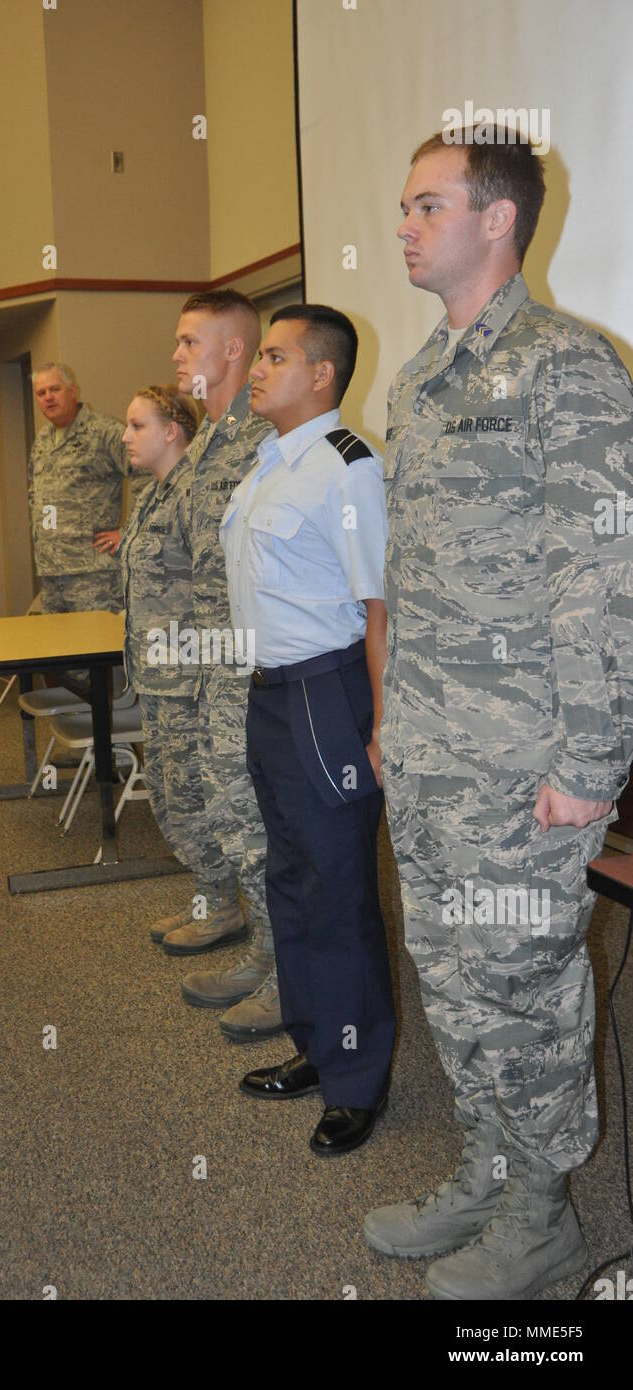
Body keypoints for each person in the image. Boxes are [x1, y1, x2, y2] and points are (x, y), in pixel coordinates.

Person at [363, 127, 633, 1299]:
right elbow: (410, 576)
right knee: (452, 974)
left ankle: (543, 1219)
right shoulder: (415, 382)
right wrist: (390, 720)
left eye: (427, 204)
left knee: (523, 985)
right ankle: (486, 1164)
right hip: (430, 753)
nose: (404, 224)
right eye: (404, 206)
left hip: (526, 763)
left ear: (496, 220)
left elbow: (603, 574)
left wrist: (588, 759)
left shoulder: (568, 369)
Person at [222, 305, 395, 1155]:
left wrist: (382, 727)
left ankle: (357, 1079)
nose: (257, 369)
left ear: (321, 375)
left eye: (275, 356)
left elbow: (380, 611)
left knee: (337, 889)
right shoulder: (266, 466)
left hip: (326, 696)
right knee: (291, 880)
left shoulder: (347, 470)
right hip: (270, 697)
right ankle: (315, 1049)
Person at [167, 290, 283, 1042]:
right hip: (212, 667)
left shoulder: (262, 439)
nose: (175, 356)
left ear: (232, 351)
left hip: (251, 673)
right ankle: (263, 956)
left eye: (188, 342)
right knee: (233, 822)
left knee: (259, 826)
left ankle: (282, 975)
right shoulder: (209, 440)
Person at [119, 386, 248, 953]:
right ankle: (209, 898)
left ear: (173, 430)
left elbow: (214, 591)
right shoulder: (152, 494)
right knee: (170, 799)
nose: (124, 437)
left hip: (190, 680)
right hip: (158, 676)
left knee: (194, 797)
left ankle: (224, 909)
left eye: (136, 425)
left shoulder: (193, 492)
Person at [28, 363, 138, 614]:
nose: (48, 397)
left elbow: (151, 472)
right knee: (56, 650)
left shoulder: (104, 432)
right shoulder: (43, 440)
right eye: (41, 393)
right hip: (52, 573)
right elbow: (36, 493)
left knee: (95, 650)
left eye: (54, 389)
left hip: (93, 574)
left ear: (72, 391)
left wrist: (129, 530)